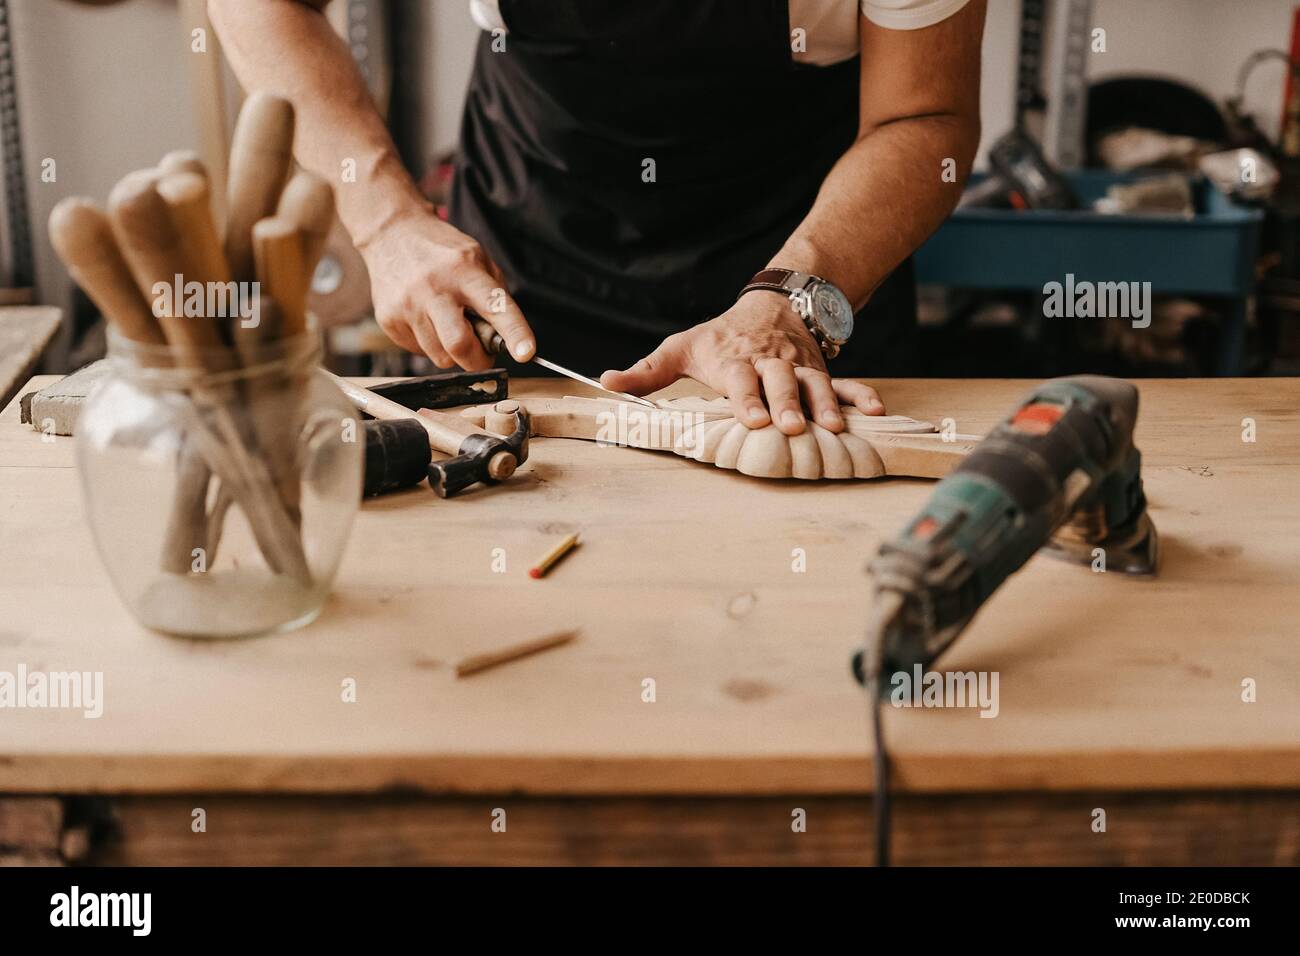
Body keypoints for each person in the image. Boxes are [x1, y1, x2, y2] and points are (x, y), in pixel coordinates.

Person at [211, 0, 985, 435]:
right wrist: (386, 221)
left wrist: (790, 304)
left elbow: (924, 116)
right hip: (525, 254)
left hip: (804, 253)